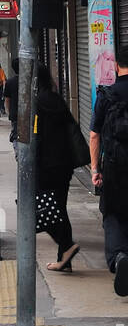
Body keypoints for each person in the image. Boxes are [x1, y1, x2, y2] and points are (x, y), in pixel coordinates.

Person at [35, 64, 81, 272]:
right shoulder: (58, 101)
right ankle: (65, 260)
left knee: (42, 211)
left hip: (46, 165)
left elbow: (35, 137)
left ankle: (67, 244)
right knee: (59, 207)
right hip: (64, 164)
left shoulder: (37, 104)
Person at [90, 46, 128, 296]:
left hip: (115, 168)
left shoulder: (107, 94)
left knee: (113, 215)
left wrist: (95, 169)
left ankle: (119, 258)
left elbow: (94, 135)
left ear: (116, 65)